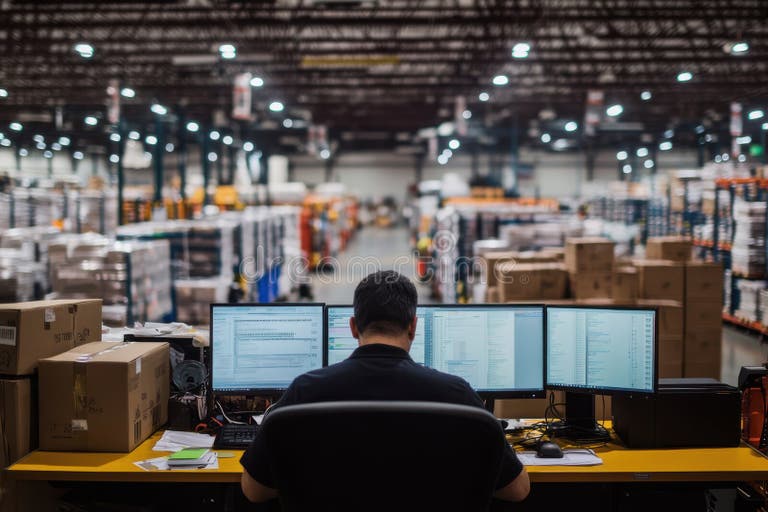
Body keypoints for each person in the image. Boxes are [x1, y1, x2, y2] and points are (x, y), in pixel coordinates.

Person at [240, 270, 530, 504]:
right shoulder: (457, 396)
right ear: (413, 327)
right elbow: (517, 491)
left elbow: (254, 491)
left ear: (353, 327)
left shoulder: (304, 392)